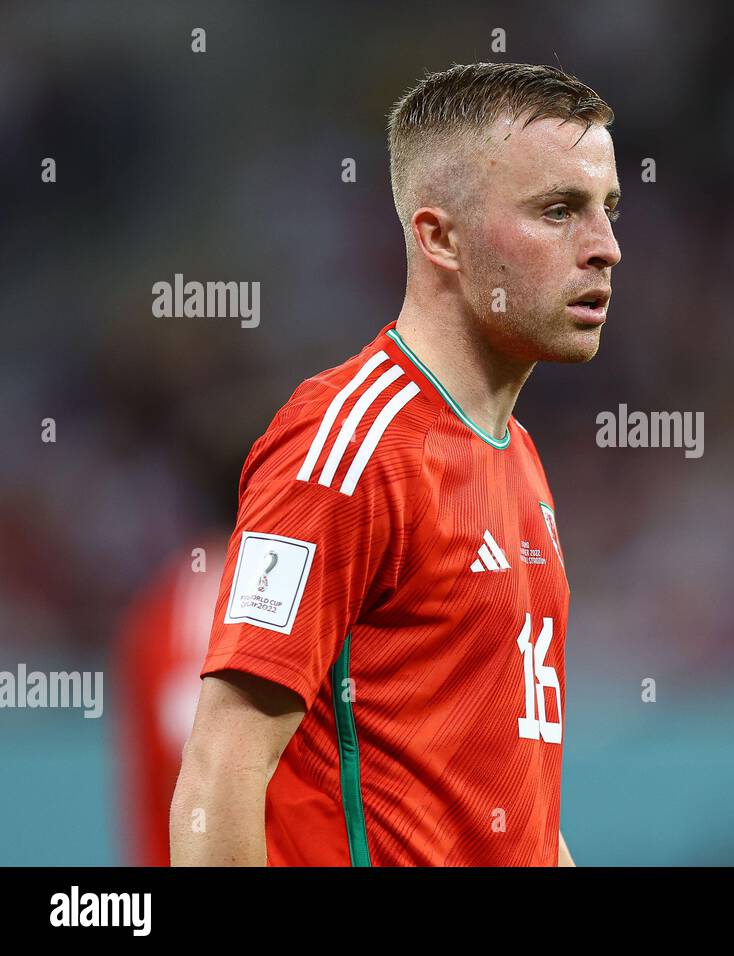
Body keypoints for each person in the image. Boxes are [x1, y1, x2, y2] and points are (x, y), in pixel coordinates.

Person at [169, 62, 621, 866]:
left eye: (608, 211)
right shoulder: (346, 445)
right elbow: (219, 772)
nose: (606, 249)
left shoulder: (516, 457)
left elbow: (514, 805)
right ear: (439, 236)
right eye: (560, 212)